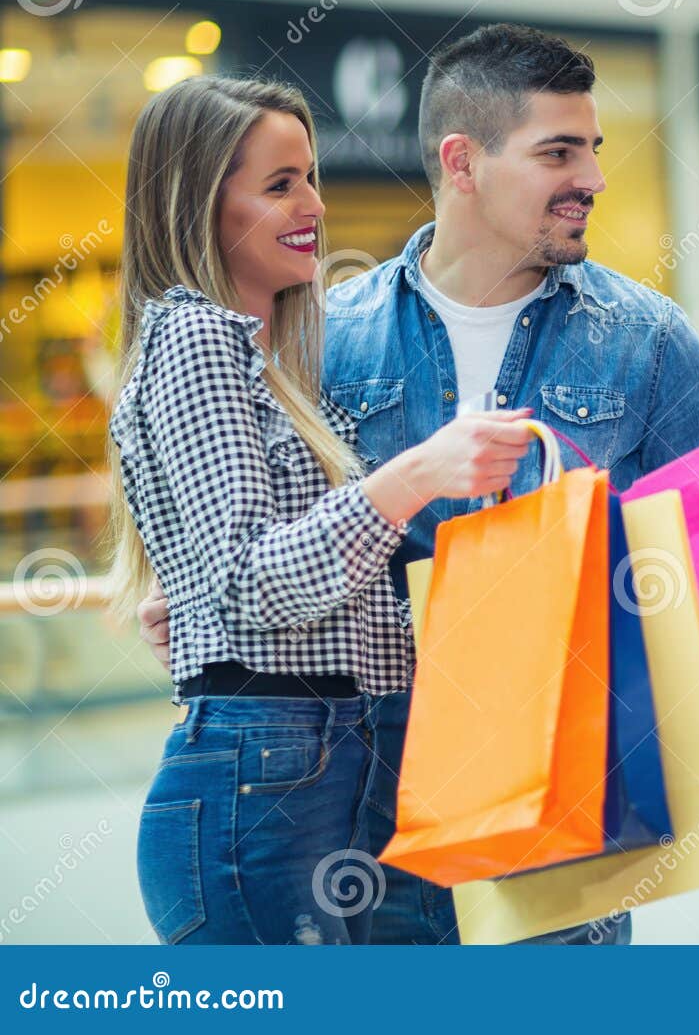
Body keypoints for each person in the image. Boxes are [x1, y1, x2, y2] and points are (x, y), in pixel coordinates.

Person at [139, 24, 699, 945]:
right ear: (464, 161)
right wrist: (194, 605)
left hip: (558, 814)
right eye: (558, 152)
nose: (594, 179)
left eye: (595, 150)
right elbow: (261, 546)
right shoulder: (322, 336)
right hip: (363, 810)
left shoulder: (647, 340)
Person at [109, 75, 536, 944]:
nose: (313, 204)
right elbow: (255, 584)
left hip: (308, 768)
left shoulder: (274, 363)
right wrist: (414, 475)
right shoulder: (195, 338)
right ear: (197, 205)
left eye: (309, 176)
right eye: (278, 184)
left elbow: (244, 581)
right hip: (258, 783)